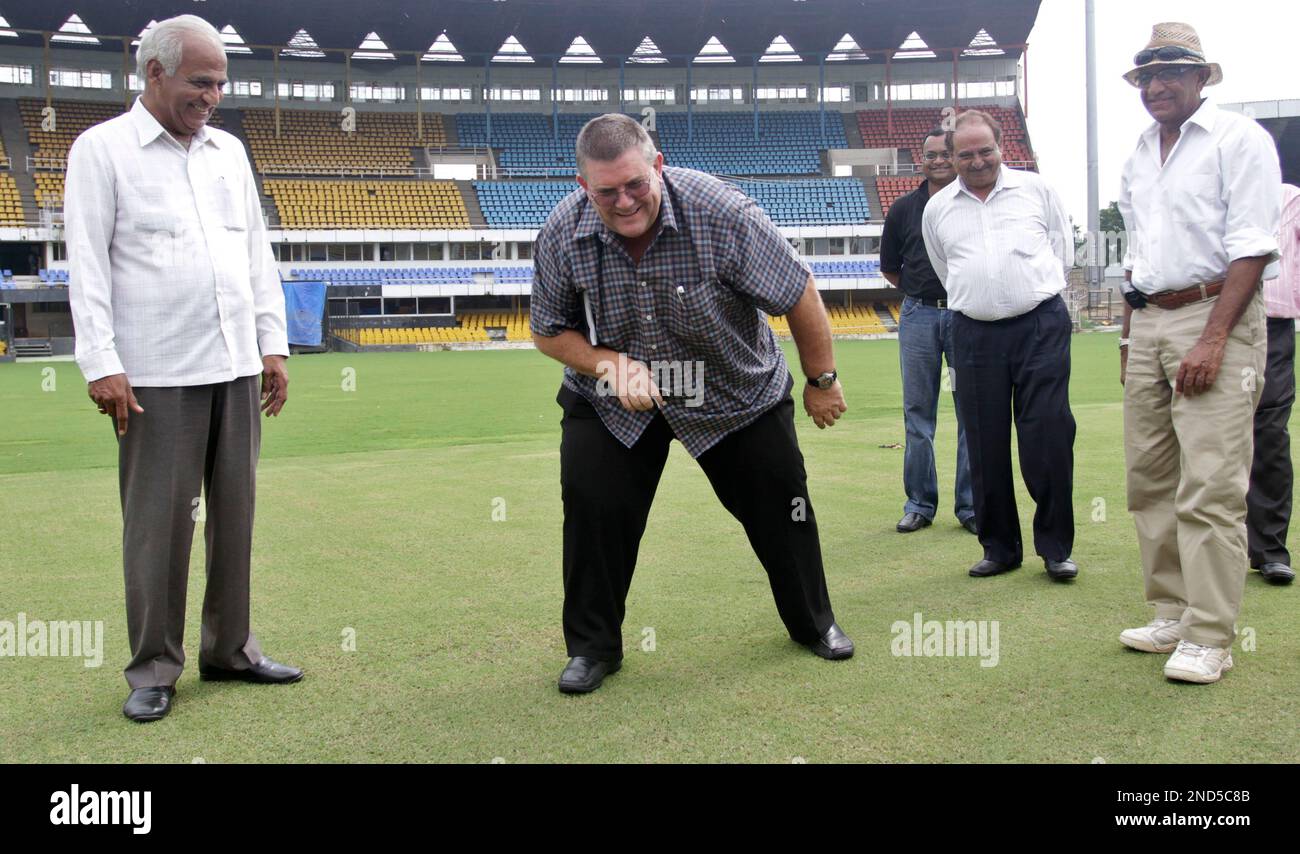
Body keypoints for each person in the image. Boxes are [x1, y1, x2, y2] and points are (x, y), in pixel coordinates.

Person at [531, 114, 854, 694]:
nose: (625, 201)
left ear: (658, 165)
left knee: (784, 509)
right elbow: (548, 331)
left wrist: (821, 379)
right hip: (617, 398)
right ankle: (593, 649)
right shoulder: (561, 232)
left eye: (635, 183)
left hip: (731, 391)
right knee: (592, 511)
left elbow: (797, 291)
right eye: (607, 191)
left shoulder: (724, 214)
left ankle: (815, 622)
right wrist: (608, 363)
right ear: (584, 187)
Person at [65, 14, 302, 722]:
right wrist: (101, 363)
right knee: (159, 525)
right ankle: (153, 667)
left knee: (236, 516)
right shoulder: (101, 150)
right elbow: (86, 265)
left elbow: (255, 254)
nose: (214, 96)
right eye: (201, 81)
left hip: (234, 365)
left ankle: (231, 649)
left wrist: (274, 344)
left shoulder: (229, 151)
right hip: (153, 373)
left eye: (221, 82)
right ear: (155, 73)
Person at [1116, 22, 1282, 683]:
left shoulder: (1239, 141)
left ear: (1200, 78)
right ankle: (1173, 611)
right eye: (1147, 77)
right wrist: (1131, 335)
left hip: (1216, 315)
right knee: (1149, 477)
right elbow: (1138, 255)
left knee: (1210, 483)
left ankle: (1211, 634)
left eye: (1171, 74)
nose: (1157, 86)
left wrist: (1214, 336)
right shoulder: (1137, 152)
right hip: (1152, 319)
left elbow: (1253, 245)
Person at [921, 109, 1078, 582]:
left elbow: (1061, 252)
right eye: (965, 154)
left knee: (1047, 436)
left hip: (1040, 326)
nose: (977, 161)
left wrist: (1025, 292)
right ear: (951, 157)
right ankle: (999, 548)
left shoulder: (1037, 190)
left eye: (984, 150)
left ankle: (1055, 548)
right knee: (983, 442)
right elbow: (945, 268)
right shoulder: (938, 208)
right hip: (972, 332)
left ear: (1002, 146)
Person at [881, 127, 975, 536]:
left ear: (956, 157)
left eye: (944, 154)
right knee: (918, 413)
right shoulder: (903, 208)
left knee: (971, 412)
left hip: (967, 315)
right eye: (930, 154)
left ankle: (971, 507)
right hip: (919, 315)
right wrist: (919, 292)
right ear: (921, 159)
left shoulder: (974, 204)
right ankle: (919, 503)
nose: (937, 161)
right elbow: (889, 266)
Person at [1246, 183, 1300, 585]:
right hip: (1208, 318)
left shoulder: (1291, 198)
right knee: (1202, 432)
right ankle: (1201, 546)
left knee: (1268, 433)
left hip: (1274, 324)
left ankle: (1269, 550)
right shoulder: (1210, 189)